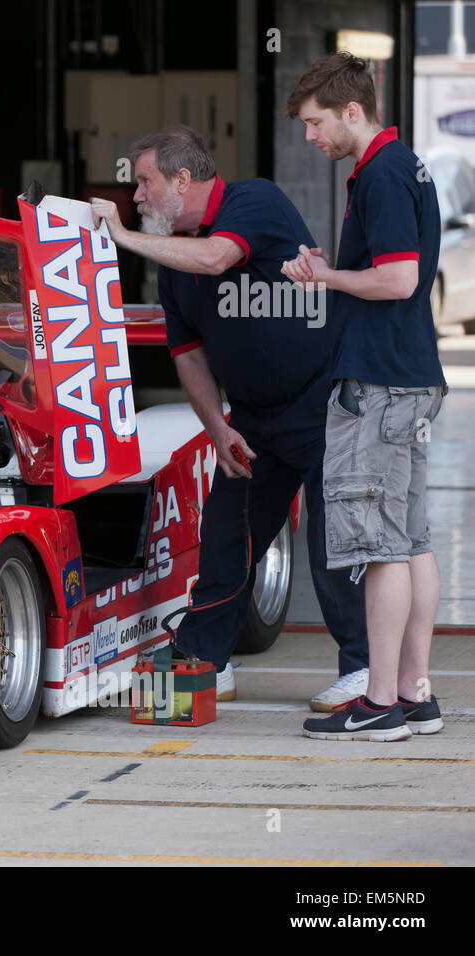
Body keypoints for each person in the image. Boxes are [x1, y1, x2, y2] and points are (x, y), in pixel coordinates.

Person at [91, 125, 368, 708]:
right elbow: (187, 354)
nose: (135, 195)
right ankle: (206, 662)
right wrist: (218, 430)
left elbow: (220, 257)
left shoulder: (255, 200)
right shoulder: (173, 258)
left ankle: (365, 669)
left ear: (183, 179)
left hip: (323, 401)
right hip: (254, 419)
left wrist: (123, 236)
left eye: (144, 181)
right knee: (225, 536)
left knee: (332, 541)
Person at [283, 54, 446, 741]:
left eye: (316, 123)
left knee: (379, 546)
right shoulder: (404, 165)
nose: (310, 137)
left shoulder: (379, 174)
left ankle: (380, 703)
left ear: (352, 111)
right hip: (410, 377)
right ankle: (414, 690)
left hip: (378, 384)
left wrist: (326, 276)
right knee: (410, 541)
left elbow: (399, 278)